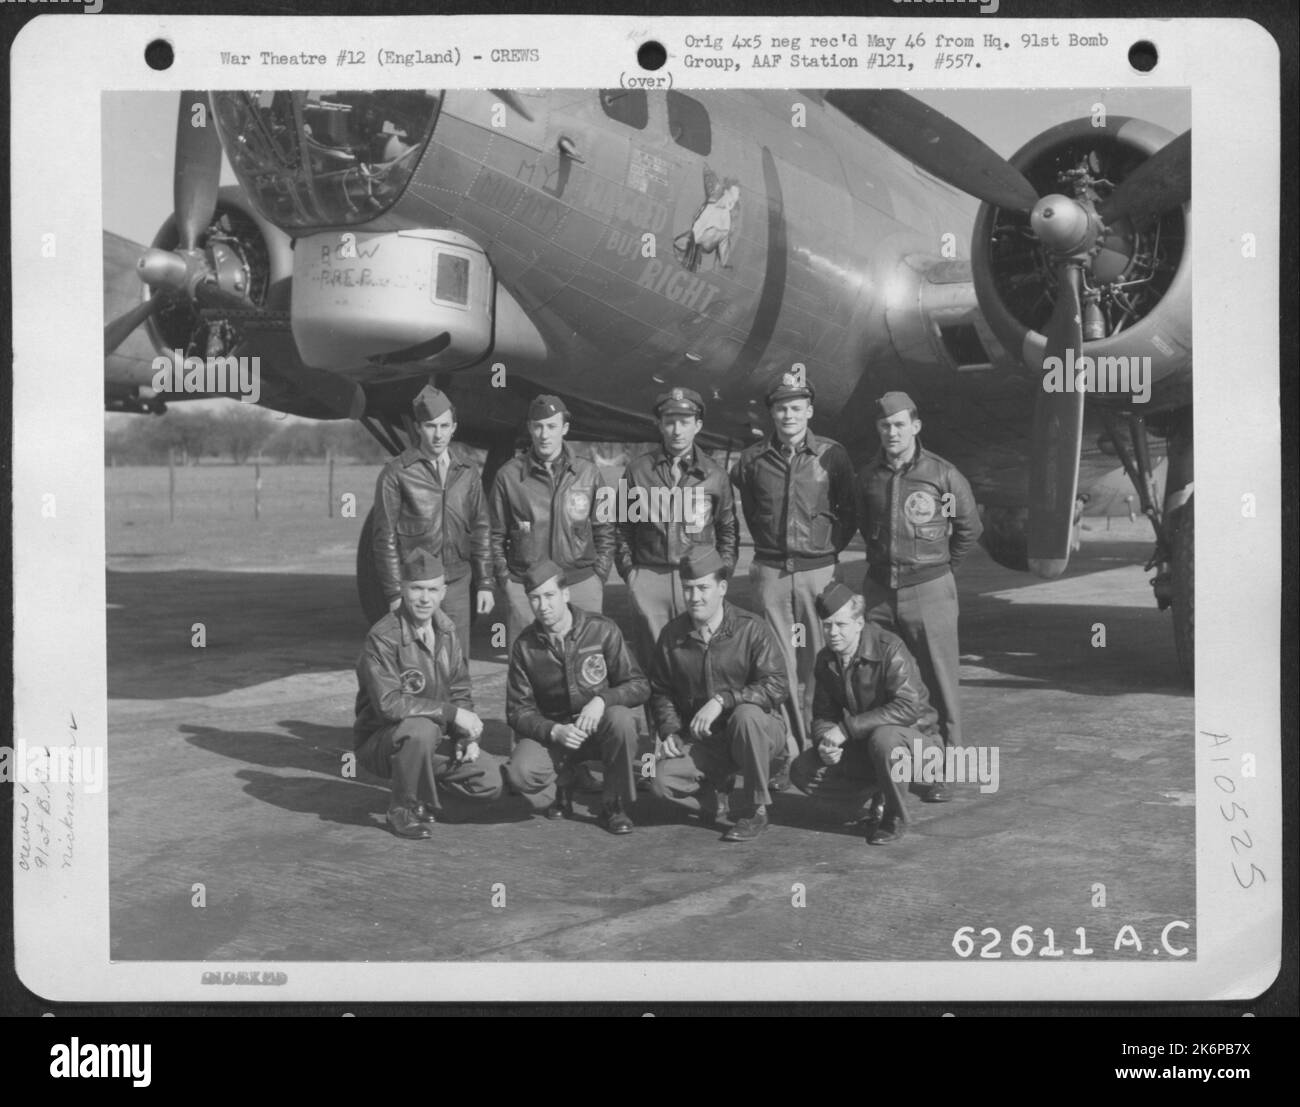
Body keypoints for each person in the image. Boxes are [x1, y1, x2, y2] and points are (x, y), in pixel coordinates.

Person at [854, 391, 982, 802]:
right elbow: (861, 521)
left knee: (938, 680)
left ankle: (942, 769)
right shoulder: (869, 476)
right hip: (878, 591)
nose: (892, 432)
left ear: (916, 426)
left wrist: (940, 570)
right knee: (878, 681)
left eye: (899, 424)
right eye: (885, 426)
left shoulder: (942, 475)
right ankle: (884, 765)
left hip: (929, 589)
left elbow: (969, 528)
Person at [730, 371, 857, 753]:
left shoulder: (831, 455)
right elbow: (752, 513)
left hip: (816, 573)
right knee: (777, 663)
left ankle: (819, 739)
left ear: (810, 411)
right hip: (772, 575)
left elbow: (848, 512)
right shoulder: (752, 460)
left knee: (820, 659)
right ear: (772, 413)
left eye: (796, 408)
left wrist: (824, 552)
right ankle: (788, 745)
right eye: (782, 408)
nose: (789, 416)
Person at [353, 550, 501, 839]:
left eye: (433, 589)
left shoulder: (447, 631)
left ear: (443, 592)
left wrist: (464, 737)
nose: (425, 599)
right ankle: (402, 811)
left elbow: (459, 690)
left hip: (432, 738)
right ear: (403, 589)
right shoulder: (383, 637)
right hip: (383, 742)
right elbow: (389, 706)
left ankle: (424, 800)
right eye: (417, 589)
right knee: (420, 728)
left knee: (489, 780)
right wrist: (452, 715)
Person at [647, 548, 790, 842]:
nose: (694, 598)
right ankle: (715, 796)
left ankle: (756, 810)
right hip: (707, 742)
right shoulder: (671, 636)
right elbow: (660, 691)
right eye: (687, 589)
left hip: (757, 734)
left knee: (746, 714)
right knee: (658, 780)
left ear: (722, 588)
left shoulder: (751, 628)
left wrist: (725, 699)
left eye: (703, 588)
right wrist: (671, 730)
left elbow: (777, 685)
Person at [502, 560, 649, 835]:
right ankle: (563, 786)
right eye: (535, 599)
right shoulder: (524, 646)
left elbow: (639, 685)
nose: (543, 606)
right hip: (557, 735)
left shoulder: (602, 629)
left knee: (623, 720)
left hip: (599, 728)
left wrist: (603, 699)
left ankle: (613, 803)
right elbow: (517, 711)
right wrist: (554, 731)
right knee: (520, 772)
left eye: (549, 596)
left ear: (565, 594)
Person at [790, 582, 943, 845]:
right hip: (870, 745)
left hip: (918, 745)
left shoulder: (889, 648)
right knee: (802, 769)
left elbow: (908, 708)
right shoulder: (826, 659)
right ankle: (879, 791)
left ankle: (893, 816)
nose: (833, 633)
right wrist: (826, 740)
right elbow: (823, 714)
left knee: (884, 739)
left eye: (841, 625)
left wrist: (846, 729)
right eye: (827, 625)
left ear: (859, 623)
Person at [614, 387, 738, 669]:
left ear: (698, 425)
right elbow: (622, 527)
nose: (677, 430)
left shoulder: (714, 475)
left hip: (697, 580)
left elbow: (728, 530)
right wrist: (632, 575)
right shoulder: (638, 471)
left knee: (699, 659)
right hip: (650, 577)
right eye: (669, 422)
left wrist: (721, 576)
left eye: (685, 422)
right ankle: (656, 716)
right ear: (660, 424)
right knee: (653, 663)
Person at [370, 384, 493, 659]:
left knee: (457, 663)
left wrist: (485, 582)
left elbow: (481, 529)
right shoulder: (396, 473)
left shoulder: (468, 473)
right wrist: (393, 593)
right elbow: (384, 537)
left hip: (457, 583)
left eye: (444, 426)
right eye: (430, 426)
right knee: (418, 665)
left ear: (454, 427)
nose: (438, 434)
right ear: (417, 428)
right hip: (416, 586)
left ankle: (460, 705)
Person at [488, 395, 615, 651]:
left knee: (588, 667)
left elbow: (606, 529)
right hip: (528, 589)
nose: (544, 434)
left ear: (565, 428)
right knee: (529, 668)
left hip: (580, 584)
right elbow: (493, 536)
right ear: (530, 428)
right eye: (538, 426)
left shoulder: (589, 473)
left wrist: (597, 576)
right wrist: (507, 582)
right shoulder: (508, 477)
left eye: (552, 426)